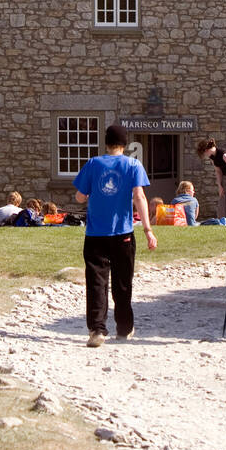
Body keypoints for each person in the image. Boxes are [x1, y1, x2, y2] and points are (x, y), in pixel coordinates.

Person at [73, 123, 157, 346]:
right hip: (123, 233)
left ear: (106, 142)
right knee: (122, 282)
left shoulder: (93, 163)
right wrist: (148, 230)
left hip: (95, 234)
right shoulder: (133, 164)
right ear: (124, 143)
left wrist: (93, 194)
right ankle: (124, 328)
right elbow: (139, 197)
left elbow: (79, 197)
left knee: (96, 282)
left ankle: (97, 330)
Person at [196, 137, 226, 220]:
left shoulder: (224, 154)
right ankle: (222, 221)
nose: (205, 155)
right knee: (222, 201)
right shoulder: (212, 157)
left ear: (206, 150)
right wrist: (220, 186)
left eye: (204, 153)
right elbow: (218, 171)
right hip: (224, 177)